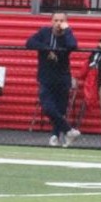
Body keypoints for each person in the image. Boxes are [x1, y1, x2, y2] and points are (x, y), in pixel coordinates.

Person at [25, 12, 80, 146]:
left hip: (62, 78)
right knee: (48, 107)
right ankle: (69, 130)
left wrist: (67, 30)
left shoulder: (68, 35)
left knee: (60, 110)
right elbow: (29, 43)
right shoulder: (44, 32)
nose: (58, 23)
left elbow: (73, 45)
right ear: (51, 21)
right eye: (56, 20)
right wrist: (47, 49)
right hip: (46, 78)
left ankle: (55, 136)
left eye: (61, 20)